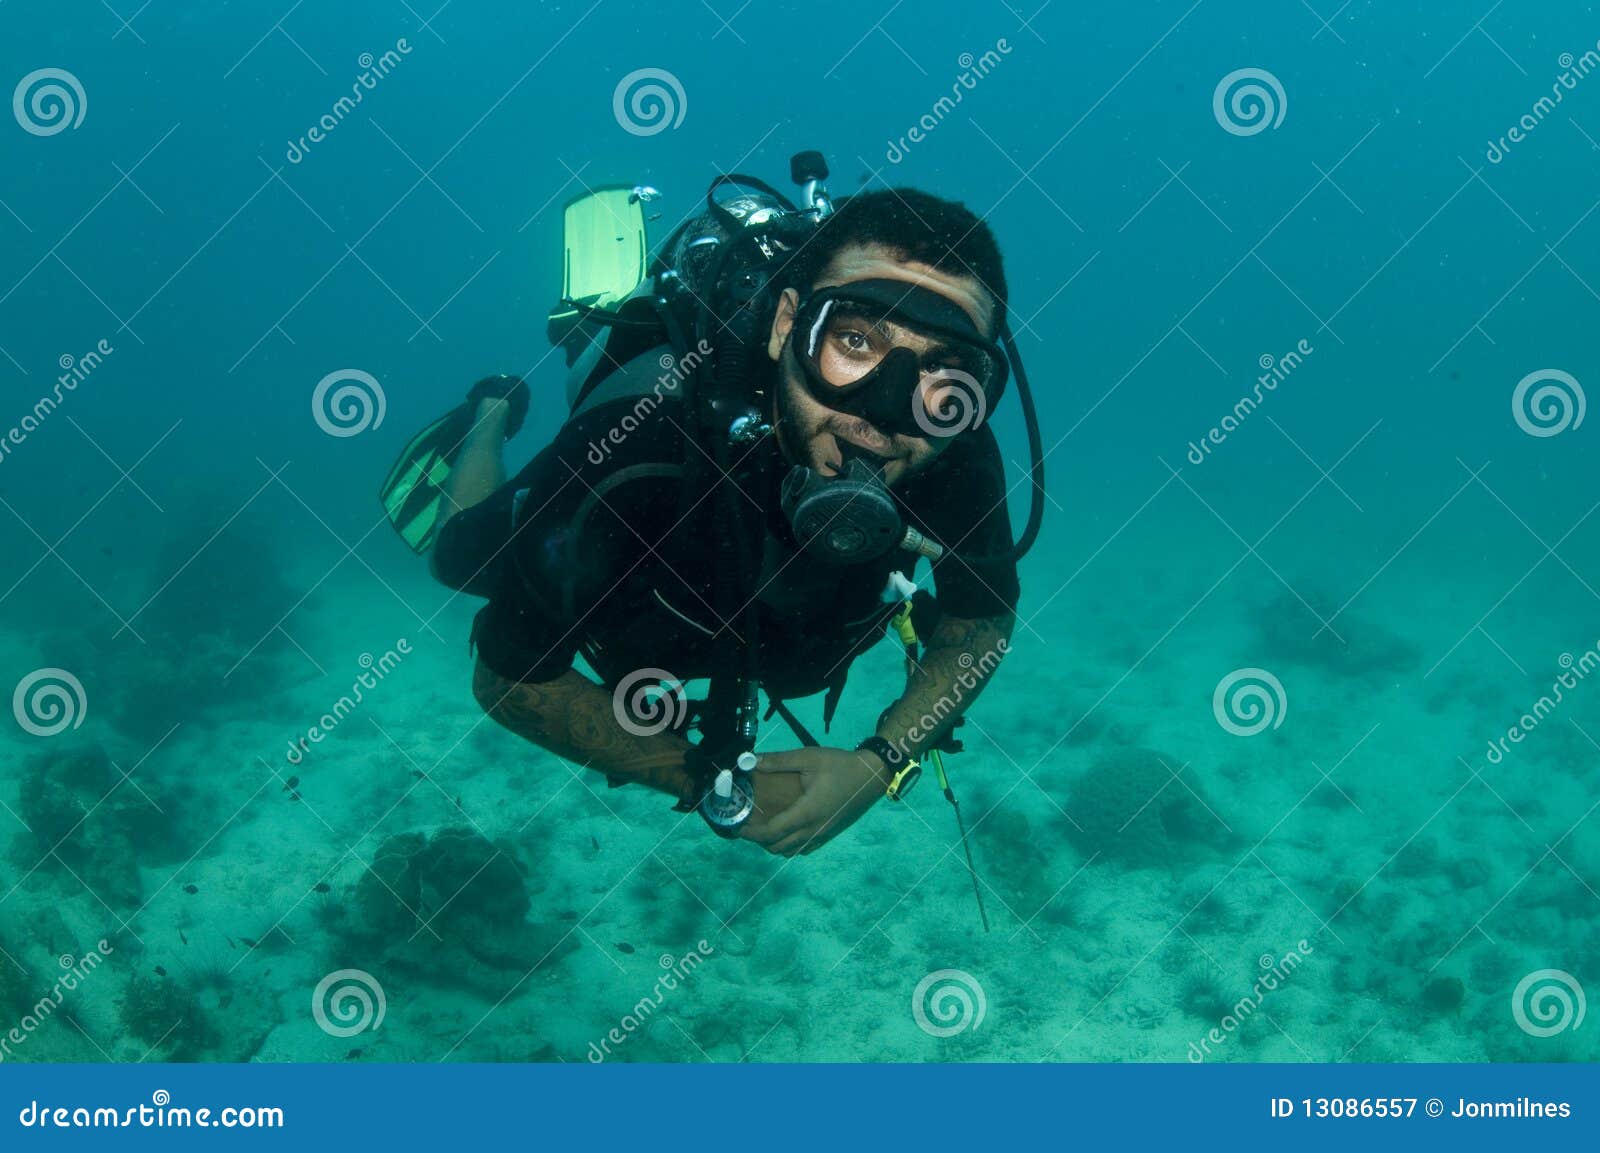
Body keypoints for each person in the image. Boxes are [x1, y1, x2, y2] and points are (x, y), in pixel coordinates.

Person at [426, 189, 1022, 857]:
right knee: (457, 556)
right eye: (855, 339)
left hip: (747, 624)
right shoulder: (637, 445)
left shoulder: (953, 442)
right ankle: (491, 411)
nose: (886, 412)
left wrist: (878, 762)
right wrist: (702, 776)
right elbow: (508, 677)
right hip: (641, 442)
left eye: (945, 367)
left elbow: (982, 621)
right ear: (785, 325)